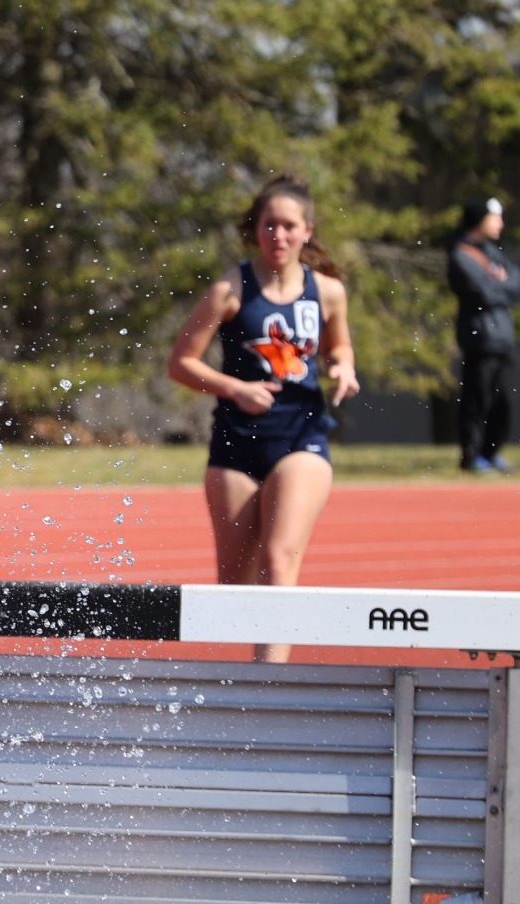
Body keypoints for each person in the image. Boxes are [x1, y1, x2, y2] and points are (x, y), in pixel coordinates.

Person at [168, 175, 359, 664]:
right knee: (235, 588)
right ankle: (260, 660)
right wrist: (236, 388)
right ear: (255, 230)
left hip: (301, 435)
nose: (279, 236)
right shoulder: (230, 291)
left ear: (307, 231)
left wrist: (342, 368)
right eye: (269, 225)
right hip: (237, 441)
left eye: (289, 226)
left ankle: (271, 684)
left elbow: (338, 345)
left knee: (280, 558)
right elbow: (181, 363)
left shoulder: (328, 292)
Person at [448, 196, 520, 473]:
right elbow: (482, 292)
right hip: (480, 337)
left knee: (503, 399)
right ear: (479, 219)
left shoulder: (492, 252)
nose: (500, 224)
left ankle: (492, 452)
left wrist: (500, 285)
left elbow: (517, 282)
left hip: (504, 337)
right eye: (495, 217)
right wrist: (500, 283)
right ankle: (471, 454)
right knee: (477, 397)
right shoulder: (461, 254)